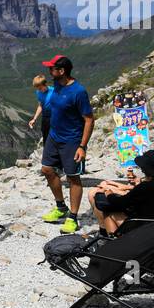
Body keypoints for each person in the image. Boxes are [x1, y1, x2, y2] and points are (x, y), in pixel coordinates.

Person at [39, 55, 94, 234]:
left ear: (61, 71)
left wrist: (82, 146)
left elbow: (88, 120)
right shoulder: (56, 87)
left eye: (52, 69)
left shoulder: (78, 92)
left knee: (73, 177)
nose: (49, 72)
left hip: (71, 140)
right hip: (54, 137)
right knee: (47, 169)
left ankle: (73, 217)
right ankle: (60, 207)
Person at [88, 150, 154, 236]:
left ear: (147, 170)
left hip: (145, 229)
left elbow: (120, 203)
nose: (142, 170)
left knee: (109, 214)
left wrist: (108, 193)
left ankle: (112, 242)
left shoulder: (146, 186)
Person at [28, 75, 53, 144]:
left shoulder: (54, 91)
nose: (39, 90)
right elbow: (40, 106)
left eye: (40, 88)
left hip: (55, 117)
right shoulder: (38, 92)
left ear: (44, 84)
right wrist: (34, 119)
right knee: (45, 135)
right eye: (37, 89)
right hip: (45, 117)